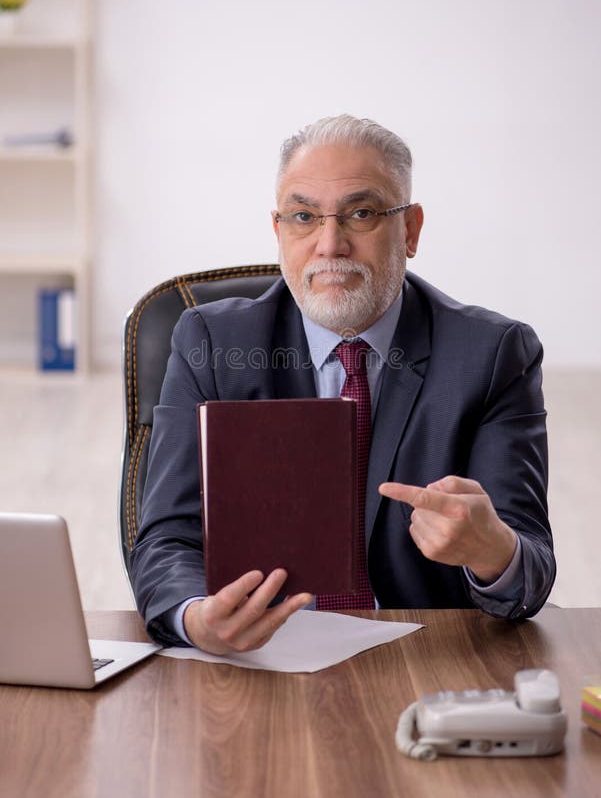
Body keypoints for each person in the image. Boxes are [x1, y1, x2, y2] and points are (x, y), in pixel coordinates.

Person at [131, 115, 555, 654]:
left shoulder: (494, 355)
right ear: (279, 230)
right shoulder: (211, 342)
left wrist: (494, 551)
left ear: (412, 229)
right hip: (256, 654)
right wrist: (196, 617)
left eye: (361, 213)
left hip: (425, 657)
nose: (330, 244)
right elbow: (166, 536)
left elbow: (530, 566)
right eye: (304, 216)